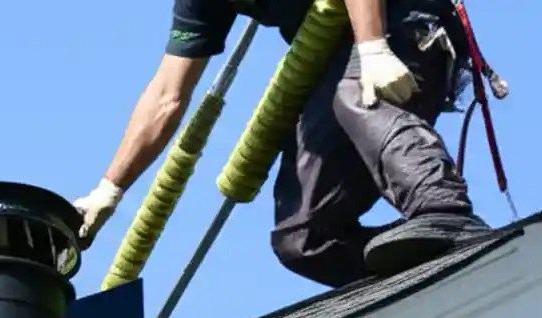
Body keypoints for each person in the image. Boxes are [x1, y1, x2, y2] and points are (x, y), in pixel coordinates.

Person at [73, 0, 491, 289]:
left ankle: (444, 212)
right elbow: (167, 95)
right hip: (341, 58)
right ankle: (412, 277)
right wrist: (109, 190)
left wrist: (373, 47)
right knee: (302, 237)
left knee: (358, 94)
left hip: (404, 25)